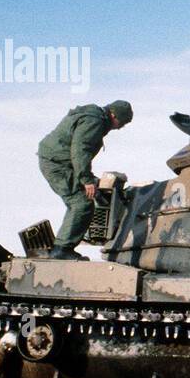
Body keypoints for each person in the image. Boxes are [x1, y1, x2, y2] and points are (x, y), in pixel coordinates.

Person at [36, 100, 133, 260]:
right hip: (58, 164)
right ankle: (62, 249)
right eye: (121, 123)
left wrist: (89, 180)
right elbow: (81, 149)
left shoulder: (93, 116)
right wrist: (86, 180)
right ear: (114, 115)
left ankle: (62, 247)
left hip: (57, 161)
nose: (120, 127)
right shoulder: (95, 121)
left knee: (84, 199)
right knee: (82, 203)